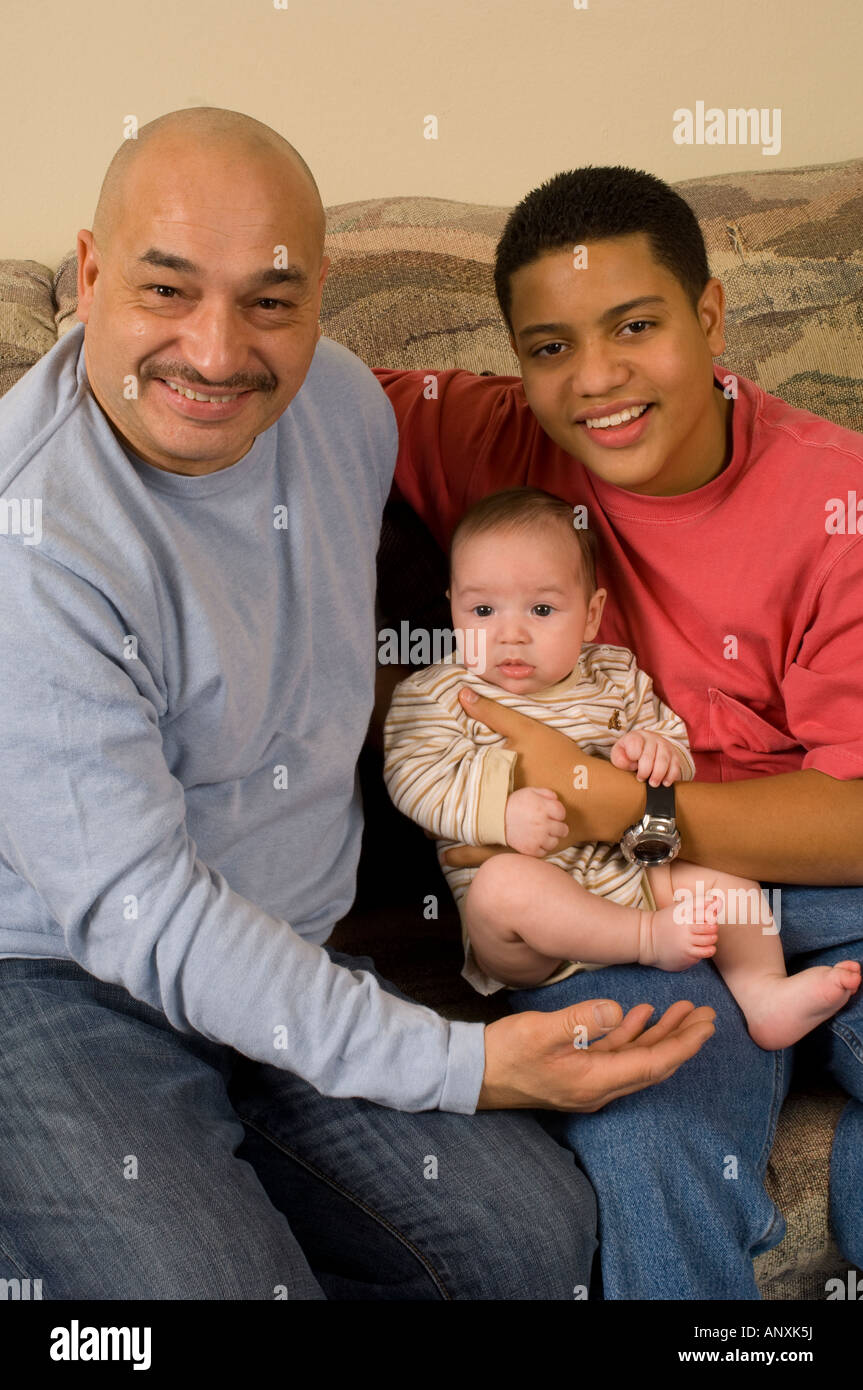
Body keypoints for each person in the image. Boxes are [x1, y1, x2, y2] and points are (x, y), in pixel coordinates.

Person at [0, 111, 716, 1301]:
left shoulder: (343, 408)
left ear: (320, 295)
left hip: (292, 940)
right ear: (88, 273)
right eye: (166, 288)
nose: (215, 351)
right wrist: (466, 1065)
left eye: (270, 301)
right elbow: (150, 918)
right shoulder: (30, 541)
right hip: (54, 976)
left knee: (528, 1243)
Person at [374, 165, 863, 1298]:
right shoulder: (488, 441)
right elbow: (263, 368)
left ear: (708, 316)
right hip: (613, 911)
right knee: (650, 1129)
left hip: (817, 886)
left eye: (634, 326)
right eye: (549, 347)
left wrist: (627, 806)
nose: (594, 379)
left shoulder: (835, 502)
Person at [382, 486, 860, 1053]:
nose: (510, 634)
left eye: (541, 610)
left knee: (727, 884)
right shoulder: (438, 693)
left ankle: (765, 993)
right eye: (483, 610)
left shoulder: (614, 675)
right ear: (453, 607)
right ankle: (646, 940)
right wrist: (498, 812)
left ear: (591, 616)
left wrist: (657, 752)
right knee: (503, 887)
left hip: (629, 871)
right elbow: (412, 776)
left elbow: (670, 743)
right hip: (530, 928)